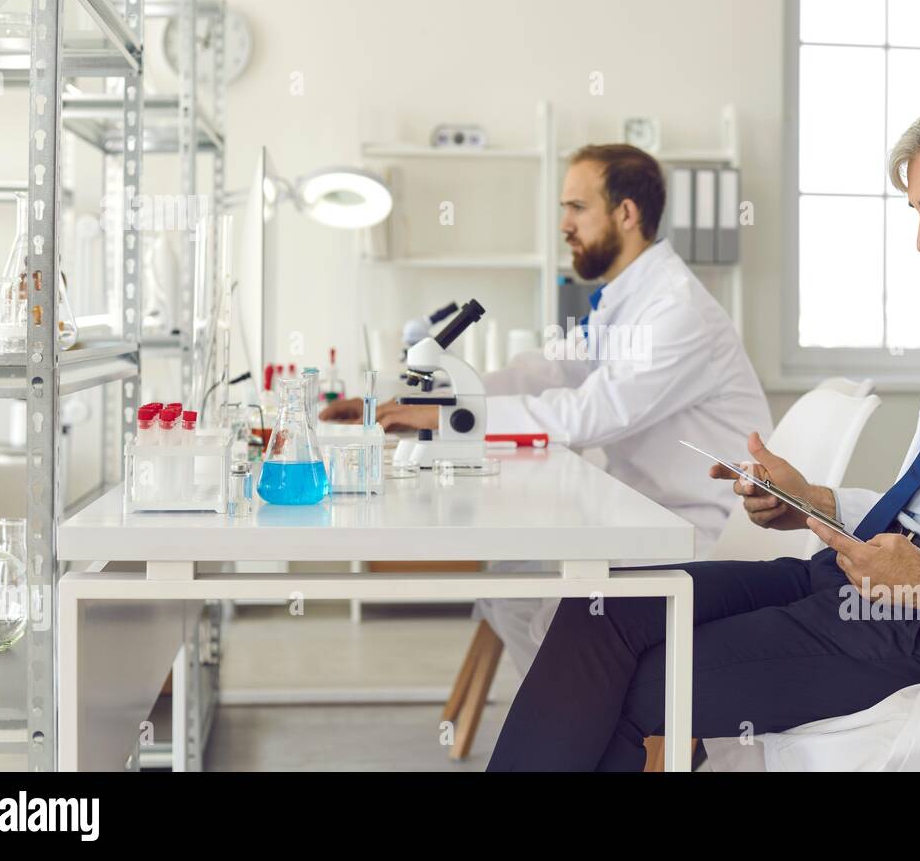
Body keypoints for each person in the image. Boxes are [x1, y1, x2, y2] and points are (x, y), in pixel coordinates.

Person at [486, 84, 920, 771]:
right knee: (602, 610)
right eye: (917, 213)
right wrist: (820, 502)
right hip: (852, 574)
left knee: (639, 685)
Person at [322, 144, 772, 675]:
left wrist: (447, 418)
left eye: (577, 208)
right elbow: (550, 371)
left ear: (626, 214)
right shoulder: (627, 298)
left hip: (692, 530)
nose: (564, 224)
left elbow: (588, 413)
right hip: (641, 511)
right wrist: (427, 401)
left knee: (542, 602)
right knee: (511, 579)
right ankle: (583, 731)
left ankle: (613, 735)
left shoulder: (678, 310)